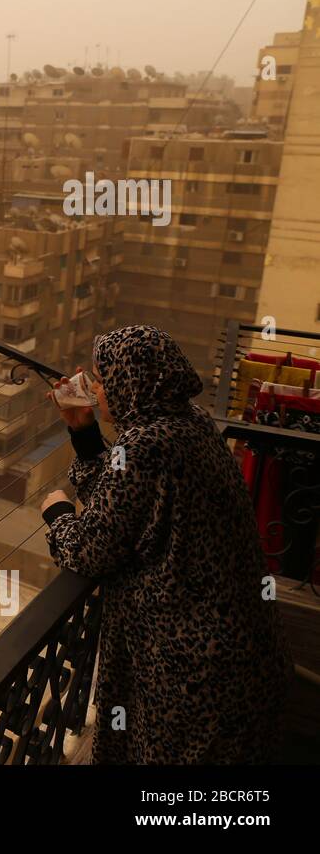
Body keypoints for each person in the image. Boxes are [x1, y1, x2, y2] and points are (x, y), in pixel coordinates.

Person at [38, 324, 292, 764]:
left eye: (101, 378)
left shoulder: (145, 445)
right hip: (238, 653)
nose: (96, 388)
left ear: (129, 381)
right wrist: (83, 431)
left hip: (192, 671)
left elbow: (91, 548)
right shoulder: (187, 422)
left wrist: (57, 513)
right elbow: (127, 505)